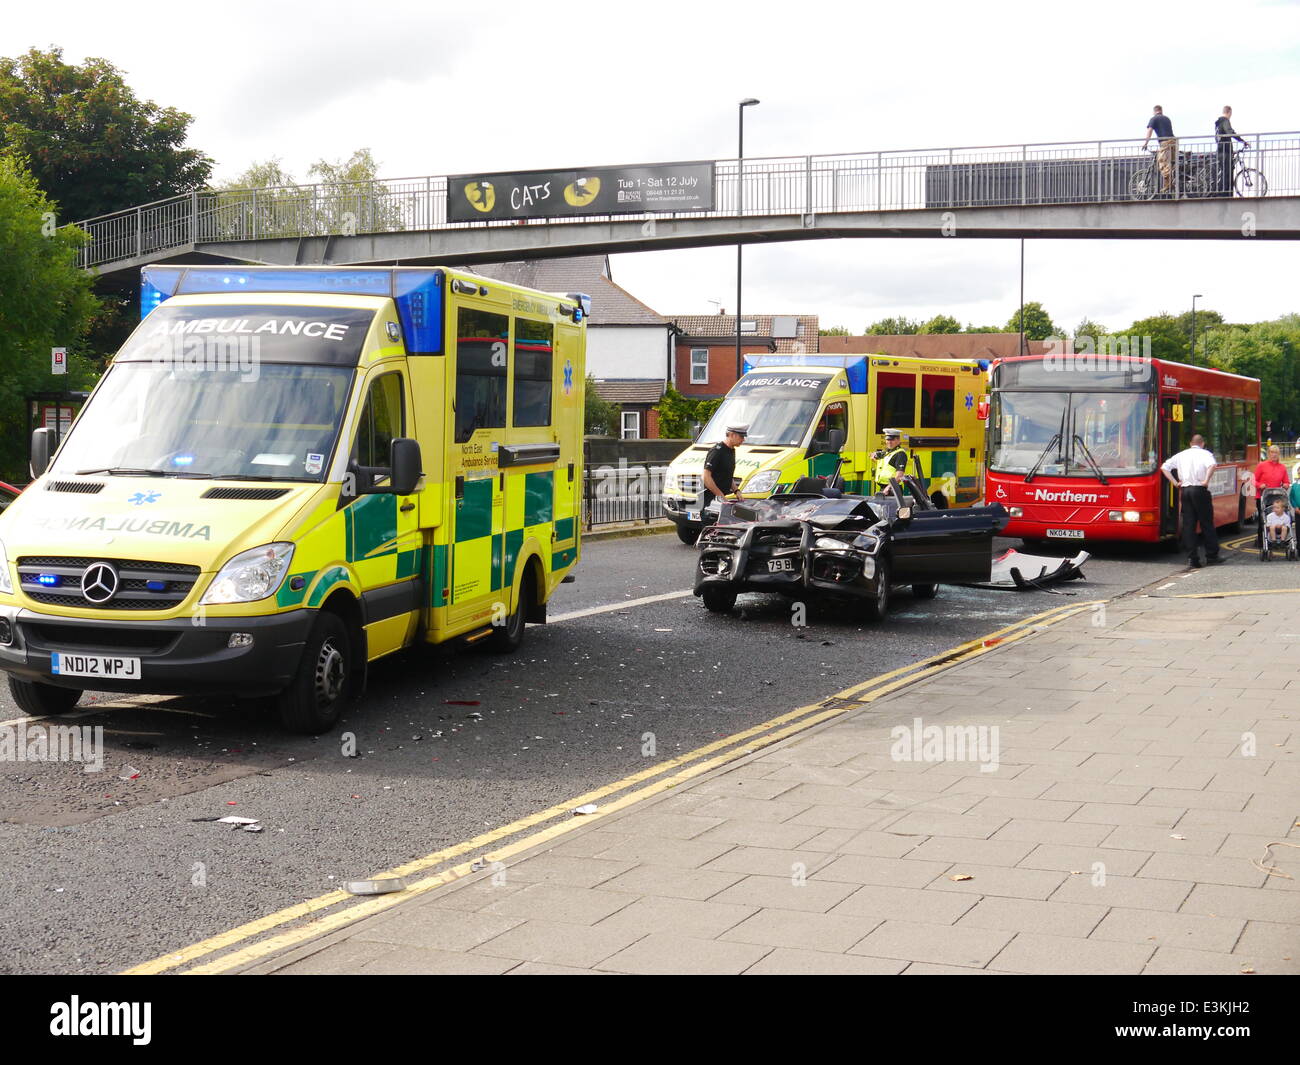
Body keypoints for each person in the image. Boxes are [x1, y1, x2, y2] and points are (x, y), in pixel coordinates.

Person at [1160, 433, 1223, 567]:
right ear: (1202, 443)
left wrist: (1175, 482)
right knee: (1207, 523)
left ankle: (1192, 559)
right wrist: (1206, 480)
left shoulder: (1182, 454)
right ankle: (1212, 556)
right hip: (1200, 489)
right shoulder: (1206, 454)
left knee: (1189, 525)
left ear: (1190, 443)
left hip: (1185, 490)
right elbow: (1212, 465)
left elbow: (1164, 467)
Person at [1253, 444, 1290, 544]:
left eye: (1276, 453)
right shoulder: (1262, 465)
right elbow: (1253, 480)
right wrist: (1259, 485)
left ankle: (1280, 539)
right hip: (1263, 496)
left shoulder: (1282, 467)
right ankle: (1262, 542)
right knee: (1263, 520)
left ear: (1279, 454)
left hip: (1276, 497)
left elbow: (1286, 481)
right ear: (1269, 454)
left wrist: (1286, 485)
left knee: (1278, 519)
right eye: (1272, 452)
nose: (1274, 455)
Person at [702, 423, 746, 506]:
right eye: (741, 437)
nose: (743, 440)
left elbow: (727, 475)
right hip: (710, 501)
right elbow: (706, 477)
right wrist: (721, 497)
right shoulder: (717, 451)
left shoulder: (731, 450)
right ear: (732, 435)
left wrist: (736, 491)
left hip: (721, 499)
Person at [1142, 105, 1178, 195]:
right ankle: (1172, 183)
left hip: (1165, 143)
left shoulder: (1154, 119)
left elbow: (1149, 131)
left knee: (1163, 164)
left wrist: (1146, 143)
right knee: (1172, 164)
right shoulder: (1167, 118)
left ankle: (1168, 185)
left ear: (1154, 111)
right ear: (1161, 111)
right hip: (1174, 142)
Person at [1214, 106, 1247, 197]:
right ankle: (1225, 194)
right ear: (1229, 112)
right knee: (1227, 172)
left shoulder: (1218, 123)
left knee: (1224, 172)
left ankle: (1223, 192)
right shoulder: (1225, 121)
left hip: (1220, 150)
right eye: (1231, 114)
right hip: (1225, 151)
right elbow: (1230, 131)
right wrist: (1242, 140)